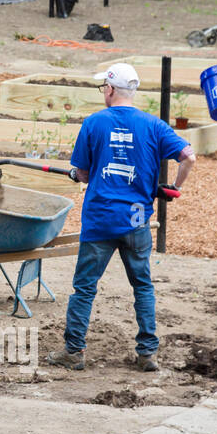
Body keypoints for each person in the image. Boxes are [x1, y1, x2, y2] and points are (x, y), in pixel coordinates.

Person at [48, 63, 196, 373]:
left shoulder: (94, 123)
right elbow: (188, 156)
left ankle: (74, 351)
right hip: (137, 219)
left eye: (104, 87)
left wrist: (77, 173)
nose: (104, 92)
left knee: (85, 288)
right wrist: (173, 187)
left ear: (111, 90)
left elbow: (85, 173)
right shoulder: (154, 126)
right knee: (142, 286)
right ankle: (147, 354)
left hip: (101, 218)